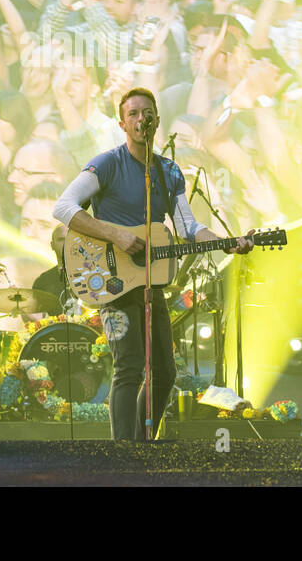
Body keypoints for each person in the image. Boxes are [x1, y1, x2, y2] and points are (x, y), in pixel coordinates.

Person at [53, 87, 254, 442]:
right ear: (122, 123)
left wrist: (229, 242)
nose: (140, 118)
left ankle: (142, 447)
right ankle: (122, 453)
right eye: (132, 113)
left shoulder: (168, 171)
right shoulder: (107, 163)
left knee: (163, 372)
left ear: (157, 120)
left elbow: (188, 227)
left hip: (149, 284)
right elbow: (64, 208)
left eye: (147, 112)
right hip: (112, 282)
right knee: (128, 368)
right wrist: (117, 236)